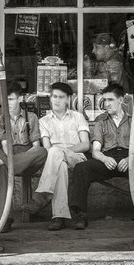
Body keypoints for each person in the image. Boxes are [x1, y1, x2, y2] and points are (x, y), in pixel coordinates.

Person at [67, 82, 134, 229]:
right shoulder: (100, 123)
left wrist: (130, 159)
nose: (106, 104)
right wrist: (104, 158)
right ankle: (81, 215)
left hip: (130, 160)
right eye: (105, 100)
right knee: (82, 168)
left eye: (110, 100)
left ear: (121, 100)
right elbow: (95, 150)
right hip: (108, 159)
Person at [23, 81, 91, 230]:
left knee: (56, 152)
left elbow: (85, 145)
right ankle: (58, 216)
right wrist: (59, 153)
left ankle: (41, 196)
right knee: (59, 165)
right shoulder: (43, 122)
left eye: (61, 97)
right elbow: (47, 148)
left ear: (68, 99)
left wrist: (64, 151)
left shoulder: (77, 117)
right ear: (50, 98)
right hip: (55, 161)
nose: (56, 100)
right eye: (54, 96)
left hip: (76, 158)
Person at [0, 81, 47, 232]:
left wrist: (20, 159)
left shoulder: (32, 117)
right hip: (9, 153)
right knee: (3, 170)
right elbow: (5, 146)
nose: (7, 103)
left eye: (11, 99)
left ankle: (6, 164)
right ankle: (6, 219)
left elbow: (36, 146)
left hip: (28, 157)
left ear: (19, 99)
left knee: (43, 152)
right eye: (5, 100)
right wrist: (10, 160)